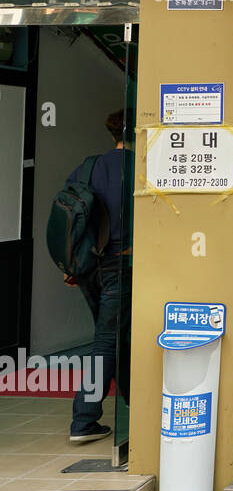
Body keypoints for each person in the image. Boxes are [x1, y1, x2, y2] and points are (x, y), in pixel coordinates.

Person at [65, 109, 133, 444]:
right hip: (124, 265)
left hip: (91, 267)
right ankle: (84, 419)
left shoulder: (88, 167)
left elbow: (70, 218)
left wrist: (72, 265)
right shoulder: (143, 169)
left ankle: (133, 404)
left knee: (115, 336)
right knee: (109, 341)